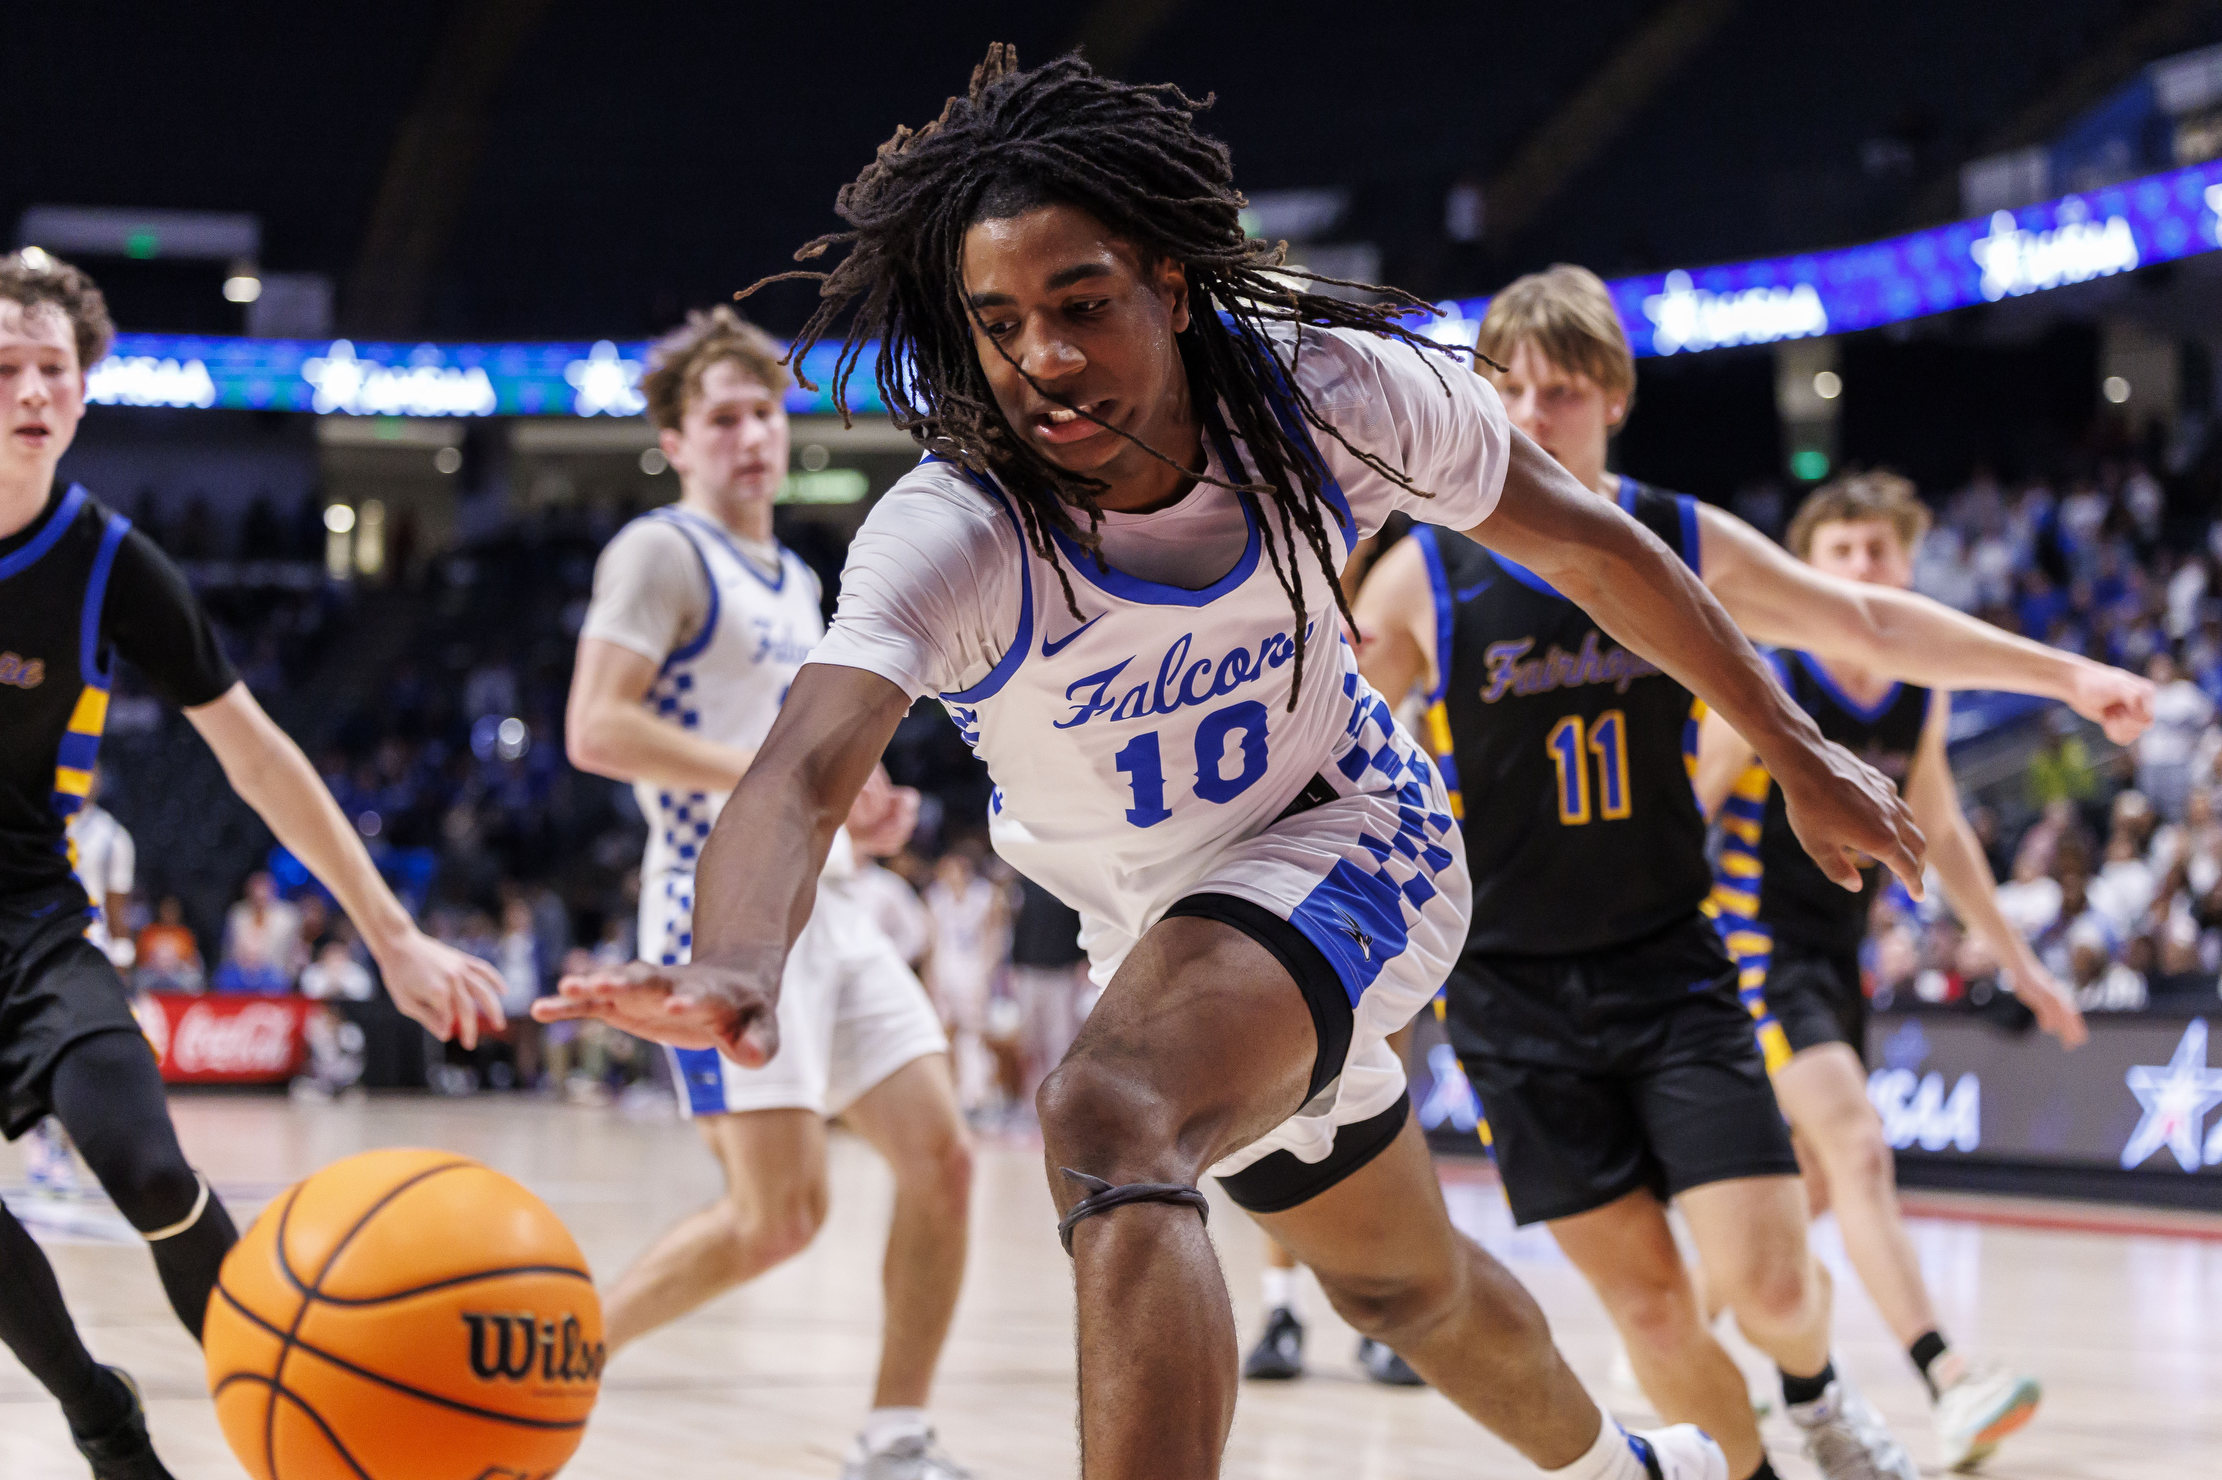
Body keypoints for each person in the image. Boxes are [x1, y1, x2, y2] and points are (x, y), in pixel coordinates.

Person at [540, 47, 1947, 1480]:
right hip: (1152, 921)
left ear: (1168, 282)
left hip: (1351, 831)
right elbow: (799, 767)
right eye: (999, 323)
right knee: (1396, 1286)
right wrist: (735, 961)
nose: (1041, 358)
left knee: (1106, 1113)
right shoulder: (950, 528)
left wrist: (1797, 743)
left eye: (1079, 304)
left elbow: (1590, 544)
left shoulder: (1331, 395)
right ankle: (1628, 1470)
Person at [1352, 265, 2147, 1480]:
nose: (1525, 417)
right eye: (1501, 389)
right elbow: (1326, 730)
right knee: (1655, 1315)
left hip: (1671, 961)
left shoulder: (1669, 536)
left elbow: (1866, 623)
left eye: (1557, 393)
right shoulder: (1425, 573)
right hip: (1509, 992)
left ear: (1612, 398)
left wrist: (2064, 678)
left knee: (1770, 1286)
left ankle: (1817, 1393)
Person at [0, 247, 504, 1480]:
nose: (28, 389)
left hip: (32, 921)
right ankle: (99, 1414)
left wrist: (390, 931)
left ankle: (290, 1426)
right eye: (3, 365)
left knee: (148, 1165)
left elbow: (261, 759)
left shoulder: (113, 565)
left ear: (83, 391)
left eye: (51, 368)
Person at [562, 305, 974, 1480]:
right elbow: (597, 726)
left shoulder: (794, 575)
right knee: (776, 1218)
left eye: (765, 412)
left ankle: (896, 1435)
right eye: (722, 417)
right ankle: (553, 1362)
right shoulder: (660, 552)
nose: (752, 435)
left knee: (943, 1161)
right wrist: (778, 778)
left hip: (832, 906)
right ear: (677, 442)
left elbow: (798, 757)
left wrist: (862, 799)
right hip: (714, 915)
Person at [1692, 472, 2092, 1469]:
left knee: (1810, 1183)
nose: (1864, 571)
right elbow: (1678, 815)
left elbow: (1941, 832)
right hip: (1749, 947)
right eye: (1842, 554)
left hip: (1835, 954)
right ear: (1804, 571)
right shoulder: (1763, 671)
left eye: (1881, 553)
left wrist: (2023, 969)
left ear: (1909, 567)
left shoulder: (1917, 689)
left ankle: (1675, 1321)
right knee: (1856, 1149)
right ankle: (1946, 1380)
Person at [921, 847, 1007, 1114]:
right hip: (945, 971)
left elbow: (995, 937)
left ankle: (976, 1093)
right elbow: (931, 942)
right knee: (944, 1034)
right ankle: (953, 1092)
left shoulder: (985, 895)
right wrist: (930, 978)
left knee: (973, 1034)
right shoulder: (935, 898)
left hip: (973, 972)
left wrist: (987, 970)